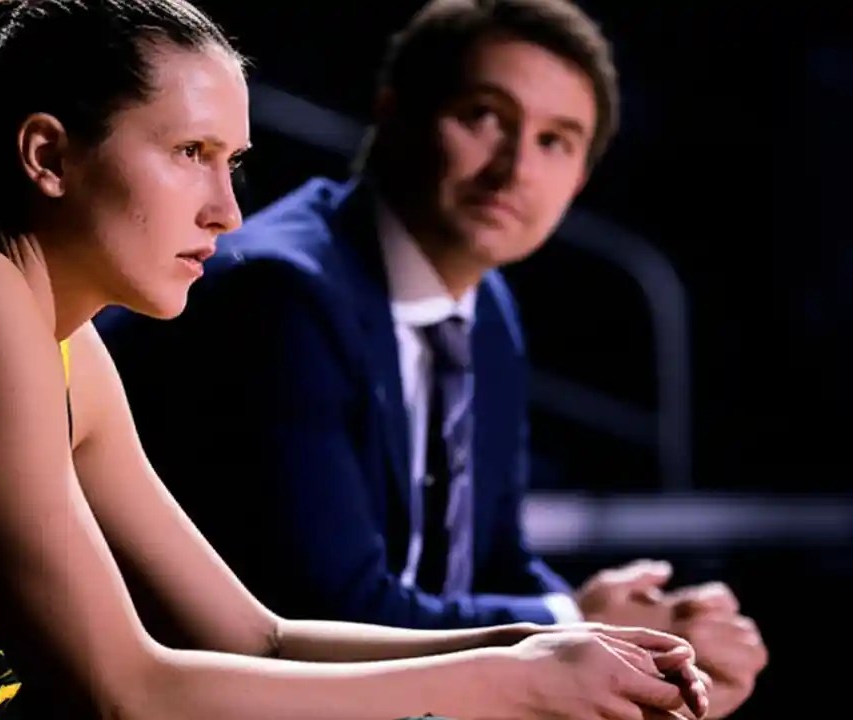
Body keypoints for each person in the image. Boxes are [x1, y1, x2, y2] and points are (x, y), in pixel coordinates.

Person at [0, 1, 708, 718]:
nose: (226, 208)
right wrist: (509, 682)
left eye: (236, 160)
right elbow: (122, 688)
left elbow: (249, 632)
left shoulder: (61, 345)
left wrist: (540, 643)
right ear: (46, 156)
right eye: (191, 154)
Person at [97, 0, 764, 717]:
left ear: (580, 178)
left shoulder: (488, 309)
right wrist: (576, 626)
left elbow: (492, 559)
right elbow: (330, 610)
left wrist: (631, 623)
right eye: (485, 117)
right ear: (393, 112)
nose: (513, 169)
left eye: (556, 142)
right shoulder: (282, 292)